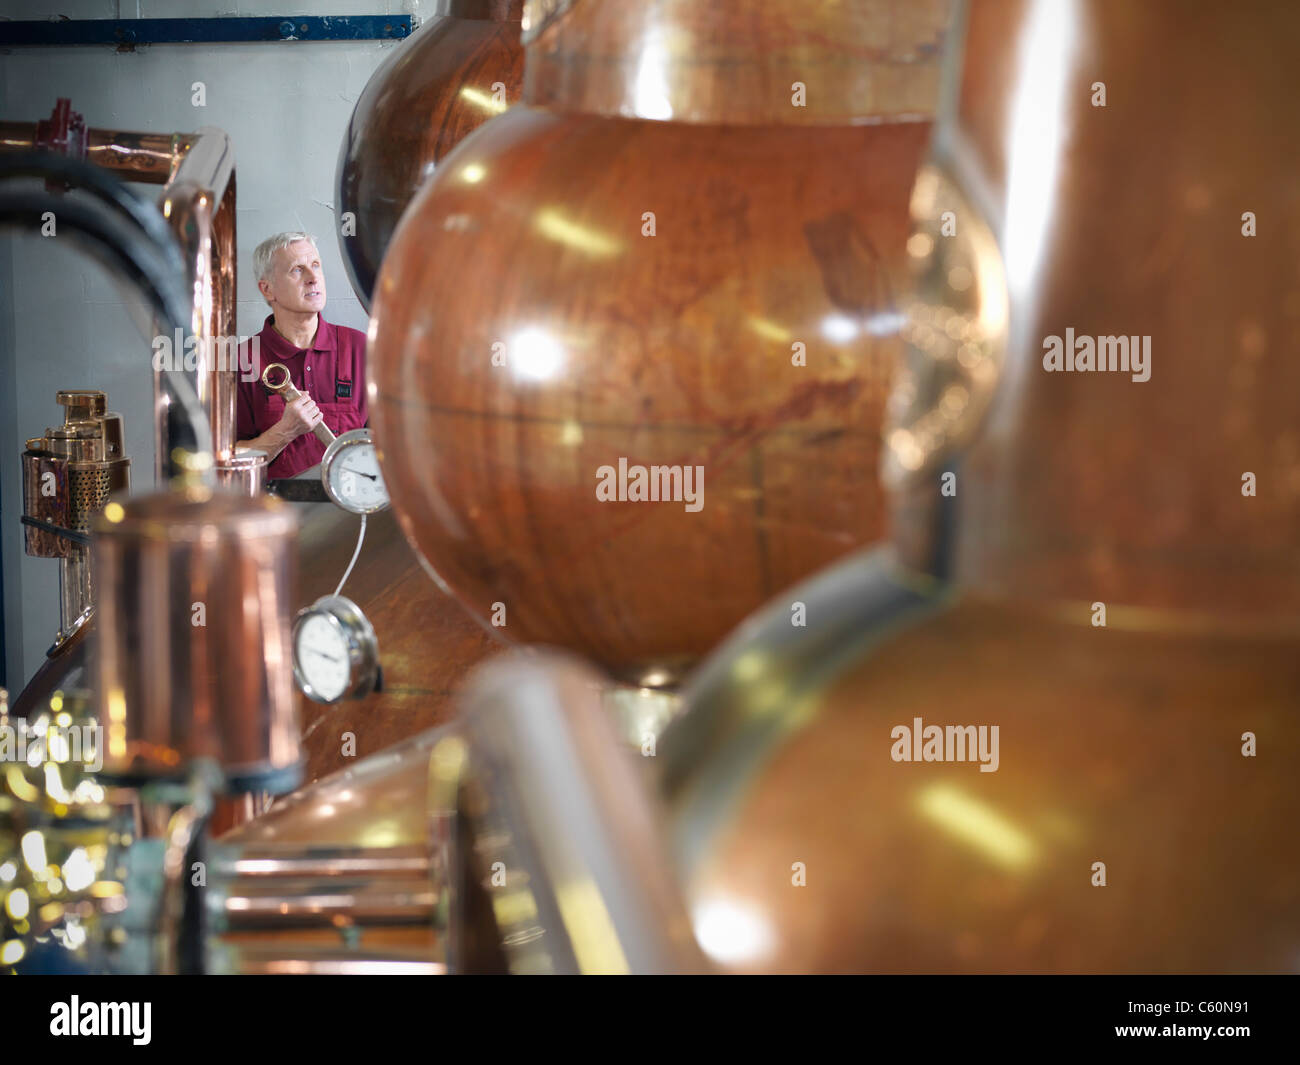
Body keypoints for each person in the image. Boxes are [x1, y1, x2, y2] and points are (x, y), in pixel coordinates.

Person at [235, 231, 368, 478]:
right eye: (297, 270)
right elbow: (226, 458)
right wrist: (285, 431)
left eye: (315, 266)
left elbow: (387, 450)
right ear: (267, 289)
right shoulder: (243, 359)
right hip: (275, 512)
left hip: (348, 513)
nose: (313, 278)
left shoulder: (359, 348)